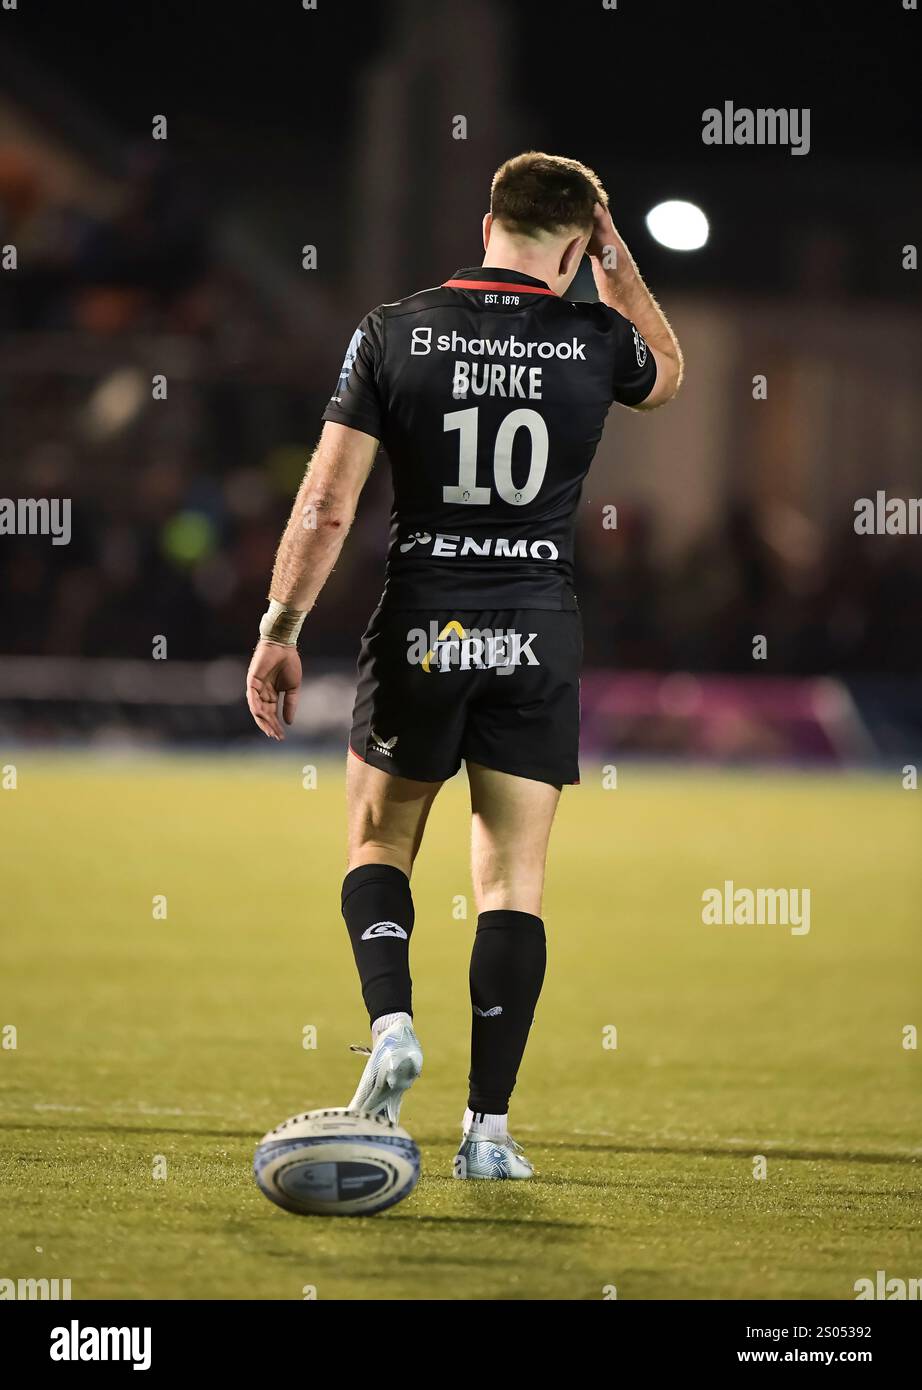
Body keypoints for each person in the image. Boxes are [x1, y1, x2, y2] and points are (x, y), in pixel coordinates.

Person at [245, 152, 683, 1179]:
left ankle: (392, 1022)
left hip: (424, 623)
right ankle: (488, 1132)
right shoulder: (593, 337)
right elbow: (669, 373)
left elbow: (325, 505)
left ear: (489, 223)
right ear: (578, 245)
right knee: (512, 884)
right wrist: (611, 254)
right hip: (534, 627)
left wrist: (281, 623)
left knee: (377, 839)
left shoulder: (394, 331)